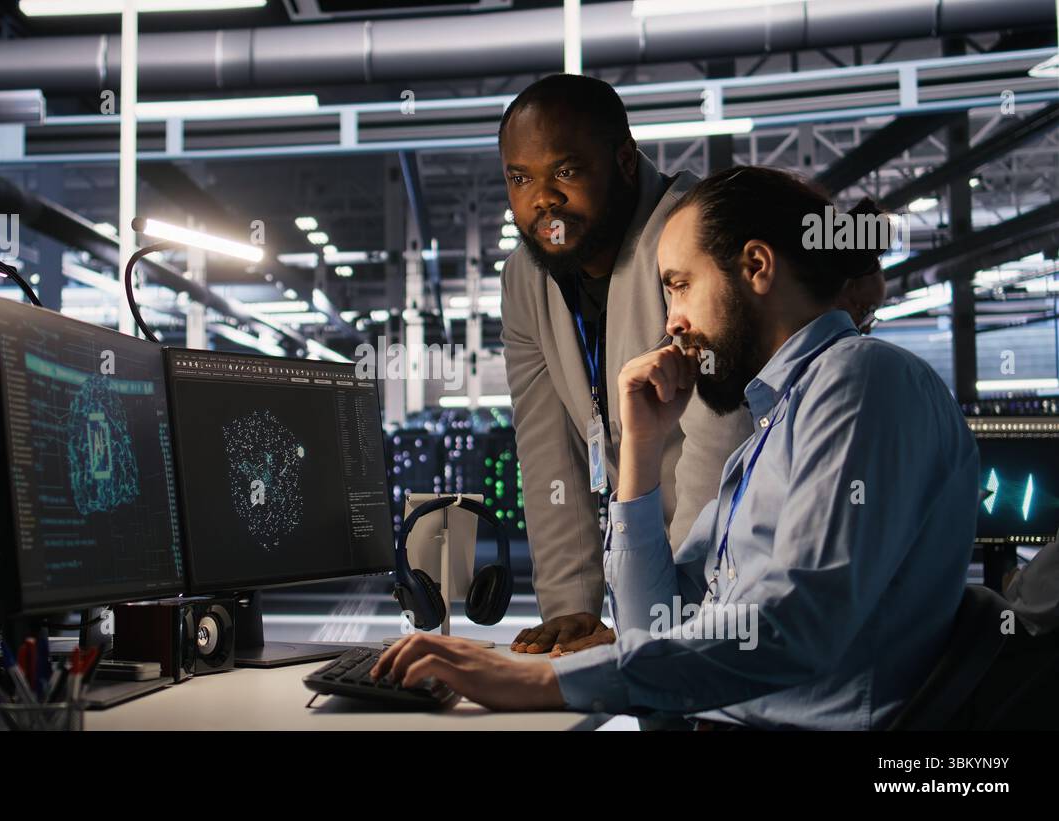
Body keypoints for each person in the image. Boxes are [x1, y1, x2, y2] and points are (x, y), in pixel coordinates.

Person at [372, 166, 980, 729]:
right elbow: (653, 625)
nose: (672, 321)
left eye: (681, 285)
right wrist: (639, 450)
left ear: (757, 267)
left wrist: (541, 678)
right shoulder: (768, 428)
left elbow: (796, 629)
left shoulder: (860, 379)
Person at [499, 73, 750, 654]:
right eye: (519, 177)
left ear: (623, 160)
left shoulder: (694, 237)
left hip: (730, 579)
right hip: (645, 573)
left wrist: (680, 612)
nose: (543, 199)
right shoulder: (522, 280)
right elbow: (547, 453)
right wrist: (570, 609)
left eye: (565, 170)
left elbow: (719, 442)